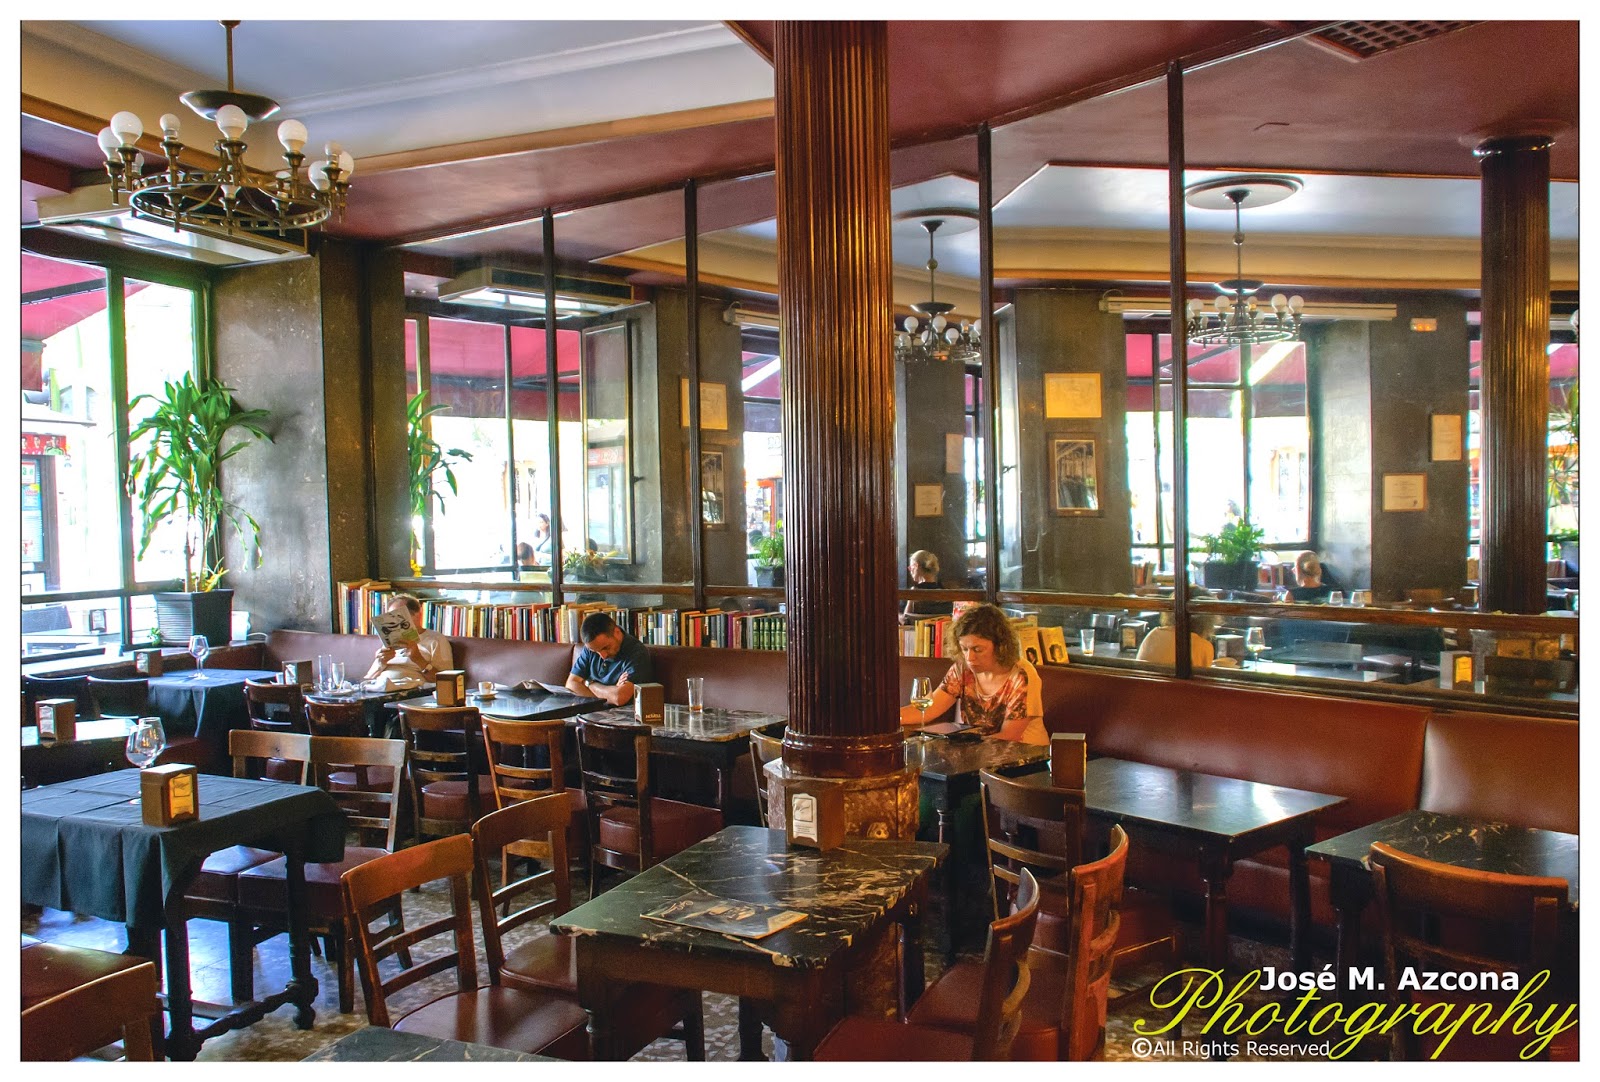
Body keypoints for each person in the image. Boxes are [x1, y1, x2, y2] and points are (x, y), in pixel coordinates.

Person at [899, 602, 1046, 745]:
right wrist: (883, 720)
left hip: (1024, 758)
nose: (969, 658)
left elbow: (1008, 736)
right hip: (978, 753)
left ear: (1000, 646)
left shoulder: (1021, 675)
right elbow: (930, 708)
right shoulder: (963, 668)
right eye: (964, 649)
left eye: (978, 650)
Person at [566, 612, 653, 706]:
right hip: (591, 711)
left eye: (606, 648)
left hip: (617, 716)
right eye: (596, 652)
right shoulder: (592, 647)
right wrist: (608, 693)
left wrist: (588, 683)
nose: (603, 656)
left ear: (617, 632)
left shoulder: (637, 652)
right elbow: (571, 684)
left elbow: (619, 697)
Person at [363, 594, 453, 684]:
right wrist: (381, 662)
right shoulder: (390, 639)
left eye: (399, 615)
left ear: (418, 615)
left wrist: (418, 659)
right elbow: (367, 679)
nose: (394, 621)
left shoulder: (436, 640)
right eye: (390, 616)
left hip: (410, 691)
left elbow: (446, 681)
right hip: (379, 688)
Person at [1135, 604, 1217, 668]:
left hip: (1144, 688)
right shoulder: (1202, 645)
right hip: (1175, 689)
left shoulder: (1154, 634)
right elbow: (1203, 681)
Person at [900, 549, 954, 625]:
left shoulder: (910, 594)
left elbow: (905, 621)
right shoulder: (947, 596)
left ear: (916, 566)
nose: (910, 570)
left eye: (910, 567)